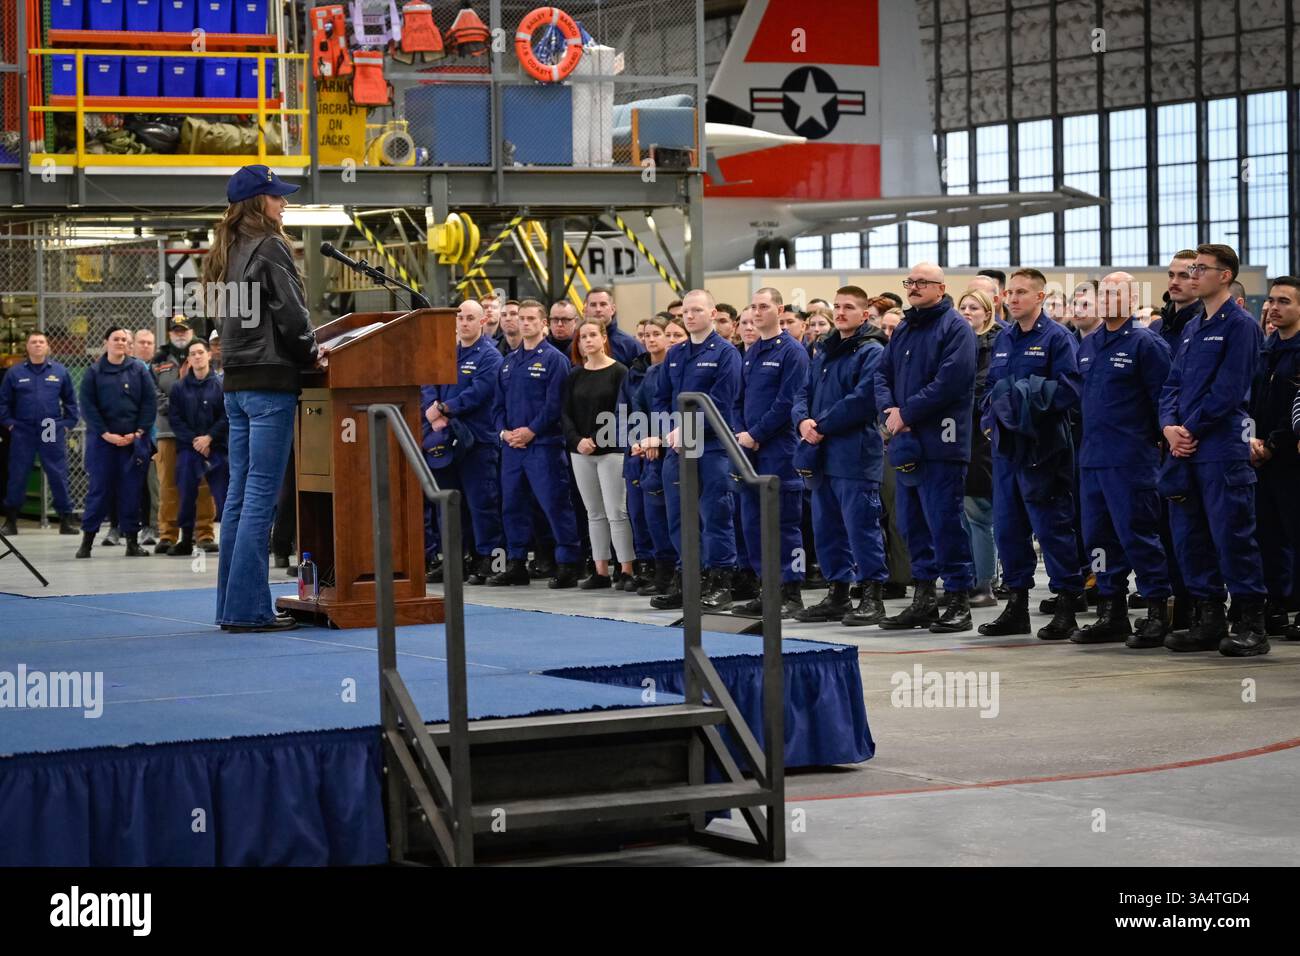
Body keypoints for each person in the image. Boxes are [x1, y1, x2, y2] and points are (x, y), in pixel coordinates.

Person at [208, 164, 320, 633]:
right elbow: (292, 317)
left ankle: (231, 606)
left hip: (235, 383)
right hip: (270, 381)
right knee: (259, 496)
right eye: (277, 197)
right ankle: (249, 609)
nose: (284, 203)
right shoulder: (271, 245)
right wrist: (312, 351)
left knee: (237, 495)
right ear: (258, 202)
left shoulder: (223, 251)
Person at [1160, 244, 1269, 656]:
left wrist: (1189, 428)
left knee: (1232, 534)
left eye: (1200, 269)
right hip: (1185, 450)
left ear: (1225, 275)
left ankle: (1251, 623)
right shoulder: (1191, 327)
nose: (1192, 275)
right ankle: (1209, 618)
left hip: (1221, 448)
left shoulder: (1240, 326)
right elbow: (1172, 384)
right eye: (1191, 269)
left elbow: (1229, 390)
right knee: (1191, 536)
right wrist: (1169, 427)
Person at [979, 267, 1085, 640]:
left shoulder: (1057, 339)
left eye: (1023, 292)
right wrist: (990, 419)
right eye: (1010, 293)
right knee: (1008, 529)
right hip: (1006, 450)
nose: (1014, 298)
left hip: (1043, 448)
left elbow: (1070, 389)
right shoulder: (1005, 339)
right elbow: (991, 387)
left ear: (1040, 297)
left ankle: (1067, 606)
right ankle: (1016, 607)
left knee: (1052, 528)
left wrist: (1025, 403)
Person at [1071, 272, 1173, 645]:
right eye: (1105, 293)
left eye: (1118, 292)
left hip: (1131, 459)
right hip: (1092, 459)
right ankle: (1110, 610)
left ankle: (1157, 610)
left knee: (1138, 535)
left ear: (1132, 299)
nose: (1110, 298)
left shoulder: (1147, 344)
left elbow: (1164, 399)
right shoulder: (1088, 344)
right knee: (1097, 539)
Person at [875, 263, 978, 632]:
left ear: (941, 287)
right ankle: (923, 600)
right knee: (912, 523)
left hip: (942, 443)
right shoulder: (903, 327)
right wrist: (890, 410)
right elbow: (882, 374)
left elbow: (950, 381)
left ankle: (958, 600)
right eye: (910, 282)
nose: (914, 287)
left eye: (922, 283)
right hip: (906, 442)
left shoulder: (955, 328)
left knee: (945, 523)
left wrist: (907, 412)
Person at [792, 286, 889, 625]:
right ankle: (837, 594)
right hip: (822, 452)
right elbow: (802, 391)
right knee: (826, 528)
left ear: (865, 314)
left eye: (849, 307)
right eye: (837, 306)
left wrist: (820, 424)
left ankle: (873, 595)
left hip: (854, 454)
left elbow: (863, 400)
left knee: (861, 528)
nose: (840, 312)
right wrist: (802, 420)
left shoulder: (871, 351)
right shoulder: (824, 350)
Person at [650, 289, 742, 610]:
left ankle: (720, 581)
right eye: (685, 312)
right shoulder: (675, 354)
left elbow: (721, 401)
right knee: (678, 515)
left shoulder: (725, 353)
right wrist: (667, 431)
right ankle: (688, 576)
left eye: (697, 311)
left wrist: (685, 429)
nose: (689, 316)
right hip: (678, 448)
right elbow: (660, 398)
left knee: (715, 513)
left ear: (712, 313)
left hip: (712, 446)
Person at [489, 299, 583, 589]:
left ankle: (568, 562)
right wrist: (504, 433)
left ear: (544, 324)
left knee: (555, 505)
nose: (525, 323)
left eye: (531, 318)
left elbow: (555, 404)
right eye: (522, 318)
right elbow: (497, 406)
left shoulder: (555, 360)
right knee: (512, 506)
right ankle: (516, 563)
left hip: (544, 446)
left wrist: (531, 431)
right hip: (512, 448)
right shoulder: (508, 362)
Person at [730, 287, 809, 618]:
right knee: (753, 523)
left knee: (784, 523)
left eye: (764, 306)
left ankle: (791, 592)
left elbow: (788, 401)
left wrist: (757, 433)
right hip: (749, 449)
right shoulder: (751, 352)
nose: (757, 312)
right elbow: (738, 399)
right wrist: (741, 433)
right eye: (753, 307)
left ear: (780, 310)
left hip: (779, 450)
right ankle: (767, 587)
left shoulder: (792, 352)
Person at [422, 300, 505, 585]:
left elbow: (479, 392)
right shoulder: (445, 352)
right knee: (447, 503)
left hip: (477, 440)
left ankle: (489, 560)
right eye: (460, 317)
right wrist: (433, 413)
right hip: (443, 437)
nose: (464, 322)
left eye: (470, 318)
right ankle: (454, 560)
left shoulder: (490, 357)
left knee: (482, 503)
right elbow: (428, 382)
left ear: (482, 322)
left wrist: (445, 409)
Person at [1147, 251, 1201, 629]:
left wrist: (1182, 430)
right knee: (1168, 530)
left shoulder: (1205, 325)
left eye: (1184, 274)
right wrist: (1163, 429)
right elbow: (1157, 390)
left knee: (1199, 531)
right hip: (1164, 442)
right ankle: (1178, 606)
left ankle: (1203, 608)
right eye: (1171, 274)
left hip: (1197, 440)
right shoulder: (1156, 330)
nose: (1175, 281)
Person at [563, 320, 634, 589]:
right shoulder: (575, 375)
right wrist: (578, 440)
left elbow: (622, 411)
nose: (588, 340)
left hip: (611, 450)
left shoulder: (619, 372)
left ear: (604, 338)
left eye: (593, 335)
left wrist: (597, 438)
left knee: (616, 511)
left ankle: (626, 569)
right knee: (594, 512)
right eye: (583, 337)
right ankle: (600, 569)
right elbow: (565, 413)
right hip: (580, 451)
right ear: (578, 343)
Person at [75, 327, 157, 558]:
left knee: (131, 493)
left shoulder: (138, 371)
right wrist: (105, 433)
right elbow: (87, 406)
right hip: (103, 444)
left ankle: (132, 542)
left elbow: (149, 402)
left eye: (124, 339)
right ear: (106, 342)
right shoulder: (94, 372)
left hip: (133, 443)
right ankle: (87, 543)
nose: (120, 343)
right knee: (99, 492)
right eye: (116, 339)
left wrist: (139, 431)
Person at [1250, 277, 1300, 641]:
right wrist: (1251, 441)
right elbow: (1250, 401)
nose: (1275, 307)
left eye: (1285, 301)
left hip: (1290, 459)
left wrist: (1273, 444)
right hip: (1259, 458)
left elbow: (1293, 411)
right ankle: (1276, 604)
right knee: (1267, 536)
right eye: (1272, 300)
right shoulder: (1265, 349)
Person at [0, 331, 80, 535]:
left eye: (41, 342)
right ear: (27, 347)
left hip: (49, 427)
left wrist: (67, 423)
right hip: (23, 428)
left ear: (47, 347)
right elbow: (3, 402)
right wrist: (9, 424)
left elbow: (71, 401)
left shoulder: (60, 372)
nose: (37, 345)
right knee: (18, 474)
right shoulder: (14, 373)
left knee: (57, 473)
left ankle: (65, 519)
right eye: (33, 342)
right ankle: (11, 520)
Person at [629, 313, 687, 595]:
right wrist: (643, 439)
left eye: (677, 336)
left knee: (682, 518)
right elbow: (639, 407)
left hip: (683, 449)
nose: (671, 341)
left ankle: (683, 573)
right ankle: (662, 572)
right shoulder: (653, 373)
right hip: (653, 454)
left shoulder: (692, 370)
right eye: (670, 335)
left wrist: (661, 439)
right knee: (654, 515)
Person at [152, 317, 217, 555]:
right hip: (168, 431)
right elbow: (154, 393)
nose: (180, 334)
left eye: (184, 330)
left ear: (191, 332)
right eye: (176, 331)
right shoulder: (158, 359)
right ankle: (168, 535)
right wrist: (179, 407)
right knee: (169, 485)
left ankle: (205, 534)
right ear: (169, 334)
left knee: (202, 484)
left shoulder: (202, 355)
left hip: (199, 435)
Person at [956, 289, 1000, 607]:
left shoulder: (993, 346)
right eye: (963, 307)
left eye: (974, 307)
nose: (967, 312)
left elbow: (981, 388)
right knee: (961, 514)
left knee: (978, 513)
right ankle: (969, 578)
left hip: (980, 441)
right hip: (956, 439)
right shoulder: (955, 346)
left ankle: (985, 582)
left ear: (988, 314)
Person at [167, 339, 228, 557]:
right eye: (193, 354)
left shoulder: (221, 385)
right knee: (186, 493)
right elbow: (175, 418)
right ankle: (185, 539)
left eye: (201, 352)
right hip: (189, 449)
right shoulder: (179, 388)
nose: (197, 356)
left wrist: (209, 438)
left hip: (217, 448)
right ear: (189, 359)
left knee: (224, 495)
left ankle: (230, 539)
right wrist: (195, 440)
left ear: (209, 355)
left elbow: (226, 415)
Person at [584, 287, 646, 366]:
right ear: (586, 310)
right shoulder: (577, 345)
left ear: (613, 309)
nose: (598, 309)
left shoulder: (631, 346)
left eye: (603, 304)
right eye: (593, 305)